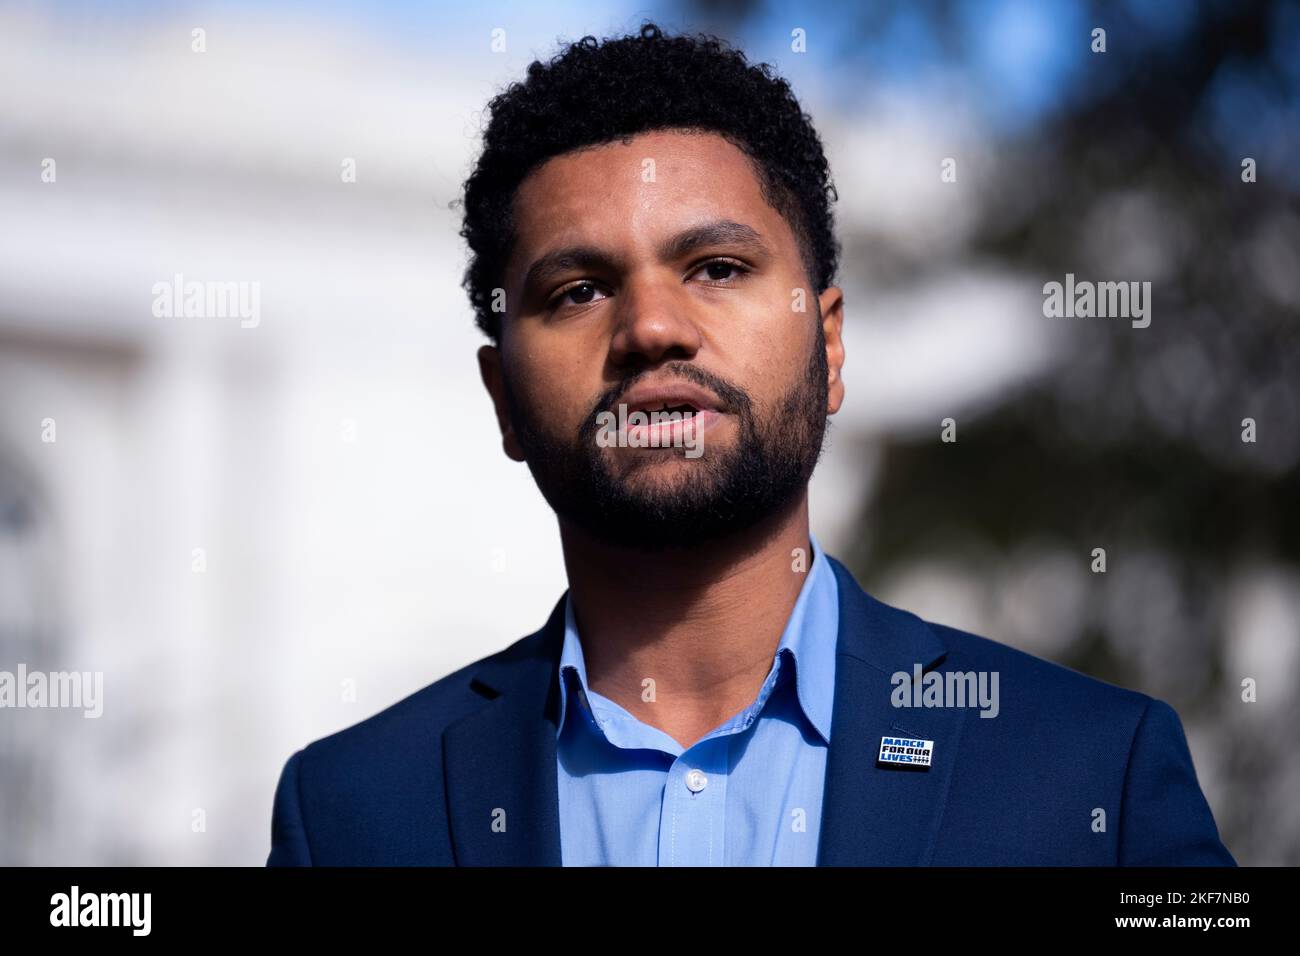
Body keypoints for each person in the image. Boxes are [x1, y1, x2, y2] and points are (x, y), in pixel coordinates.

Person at [267, 22, 1234, 866]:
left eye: (717, 267)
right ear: (502, 400)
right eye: (578, 291)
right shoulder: (352, 812)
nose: (651, 327)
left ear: (831, 342)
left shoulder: (1087, 773)